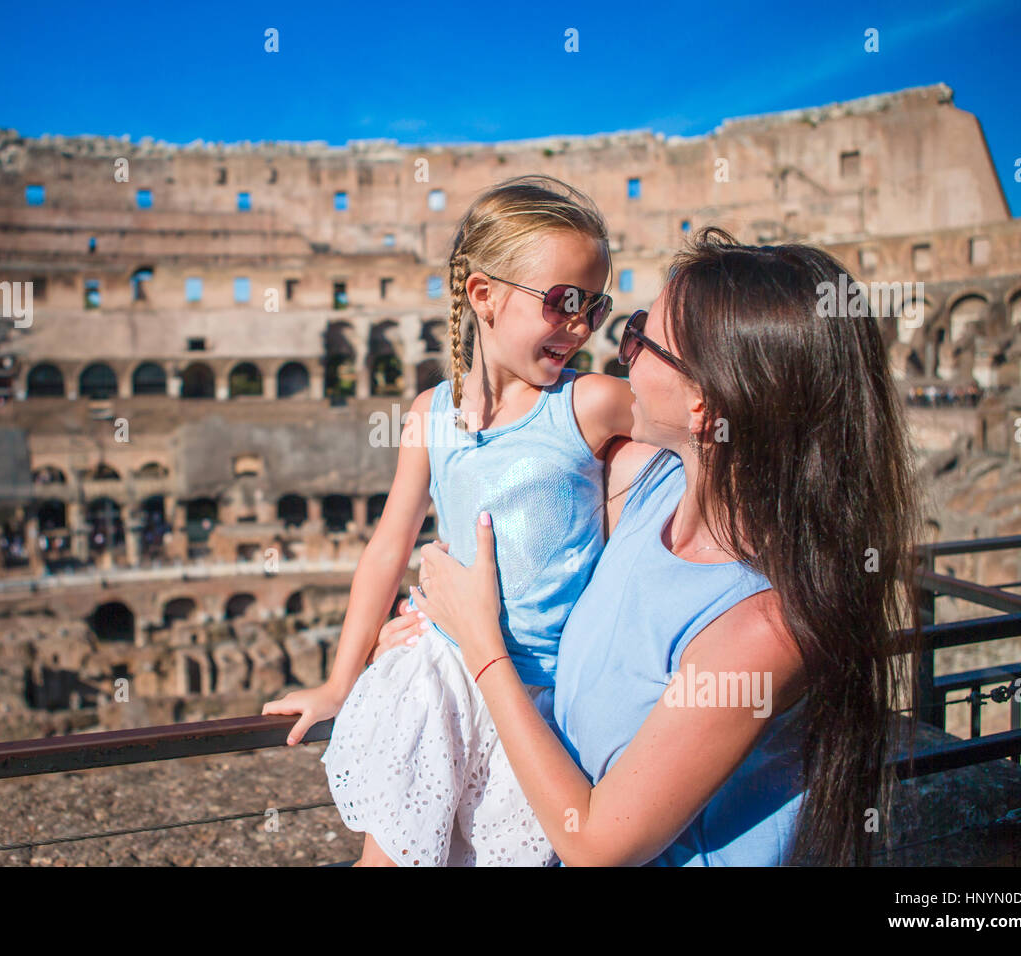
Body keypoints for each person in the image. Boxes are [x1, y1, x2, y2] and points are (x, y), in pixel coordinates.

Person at [401, 227, 923, 865]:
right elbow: (508, 509)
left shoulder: (763, 628)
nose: (618, 355)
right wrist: (425, 632)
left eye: (642, 338)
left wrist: (480, 646)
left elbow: (595, 843)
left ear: (704, 401)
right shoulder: (655, 487)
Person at [263, 175, 635, 866]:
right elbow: (387, 547)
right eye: (565, 302)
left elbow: (697, 426)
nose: (583, 326)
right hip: (438, 673)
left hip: (545, 697)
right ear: (484, 295)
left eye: (597, 305)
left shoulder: (593, 403)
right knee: (392, 858)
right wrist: (340, 679)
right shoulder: (430, 414)